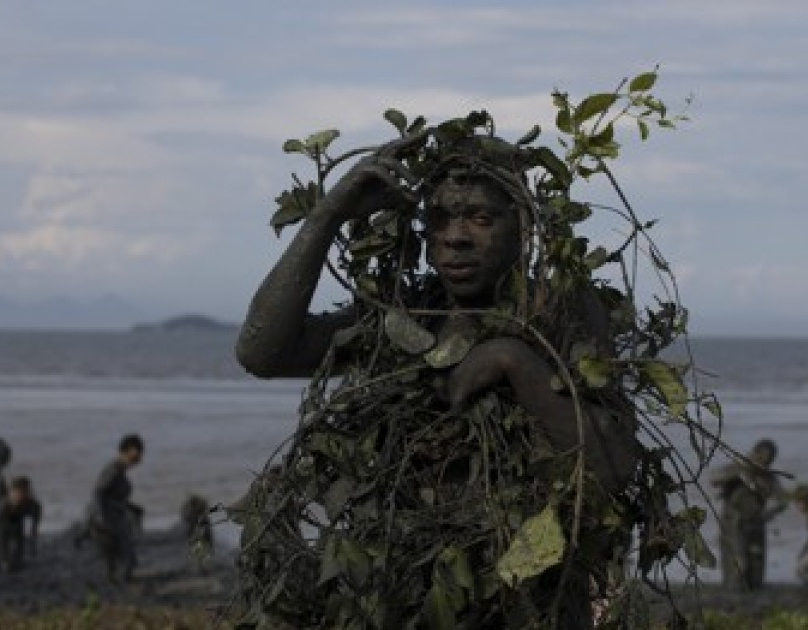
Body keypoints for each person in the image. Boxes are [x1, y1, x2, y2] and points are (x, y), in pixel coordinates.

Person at [234, 130, 643, 628]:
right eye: (441, 219)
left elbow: (614, 466)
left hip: (529, 608)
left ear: (524, 226)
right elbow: (262, 352)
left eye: (481, 218)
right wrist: (327, 216)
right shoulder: (402, 318)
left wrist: (513, 361)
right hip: (397, 599)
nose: (456, 237)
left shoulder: (558, 311)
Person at [711, 438, 787, 591]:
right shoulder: (737, 469)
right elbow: (714, 480)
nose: (764, 462)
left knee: (756, 571)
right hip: (734, 524)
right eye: (761, 457)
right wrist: (739, 473)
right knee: (739, 565)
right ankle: (733, 594)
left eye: (768, 460)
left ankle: (750, 593)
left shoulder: (769, 477)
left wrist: (767, 514)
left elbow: (782, 500)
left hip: (756, 524)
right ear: (754, 453)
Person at [84, 434, 144, 583]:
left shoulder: (120, 471)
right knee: (117, 558)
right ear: (127, 451)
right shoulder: (113, 469)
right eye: (137, 452)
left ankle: (119, 579)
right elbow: (98, 493)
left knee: (125, 557)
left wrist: (133, 507)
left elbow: (114, 496)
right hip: (103, 520)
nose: (139, 457)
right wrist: (101, 518)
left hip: (114, 517)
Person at [0, 476, 41, 572]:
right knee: (2, 537)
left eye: (26, 491)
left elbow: (34, 524)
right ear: (13, 492)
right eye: (20, 491)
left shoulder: (32, 504)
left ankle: (17, 558)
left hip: (17, 521)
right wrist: (4, 558)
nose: (23, 494)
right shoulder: (4, 505)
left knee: (18, 536)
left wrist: (33, 544)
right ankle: (4, 560)